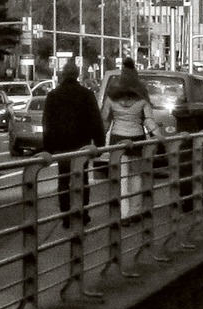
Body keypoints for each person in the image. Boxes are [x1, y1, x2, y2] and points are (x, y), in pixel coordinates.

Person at [42, 60, 105, 225]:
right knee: (82, 179)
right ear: (78, 75)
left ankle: (65, 216)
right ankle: (82, 213)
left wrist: (48, 147)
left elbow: (47, 123)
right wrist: (99, 143)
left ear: (63, 75)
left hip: (62, 145)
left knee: (63, 180)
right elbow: (95, 121)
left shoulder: (53, 95)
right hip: (81, 144)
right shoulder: (86, 94)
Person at [103, 59, 163, 219]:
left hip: (117, 139)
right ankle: (136, 211)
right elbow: (148, 120)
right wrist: (158, 136)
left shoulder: (111, 94)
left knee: (120, 178)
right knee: (136, 175)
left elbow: (105, 119)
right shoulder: (141, 94)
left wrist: (100, 139)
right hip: (137, 138)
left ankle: (123, 214)